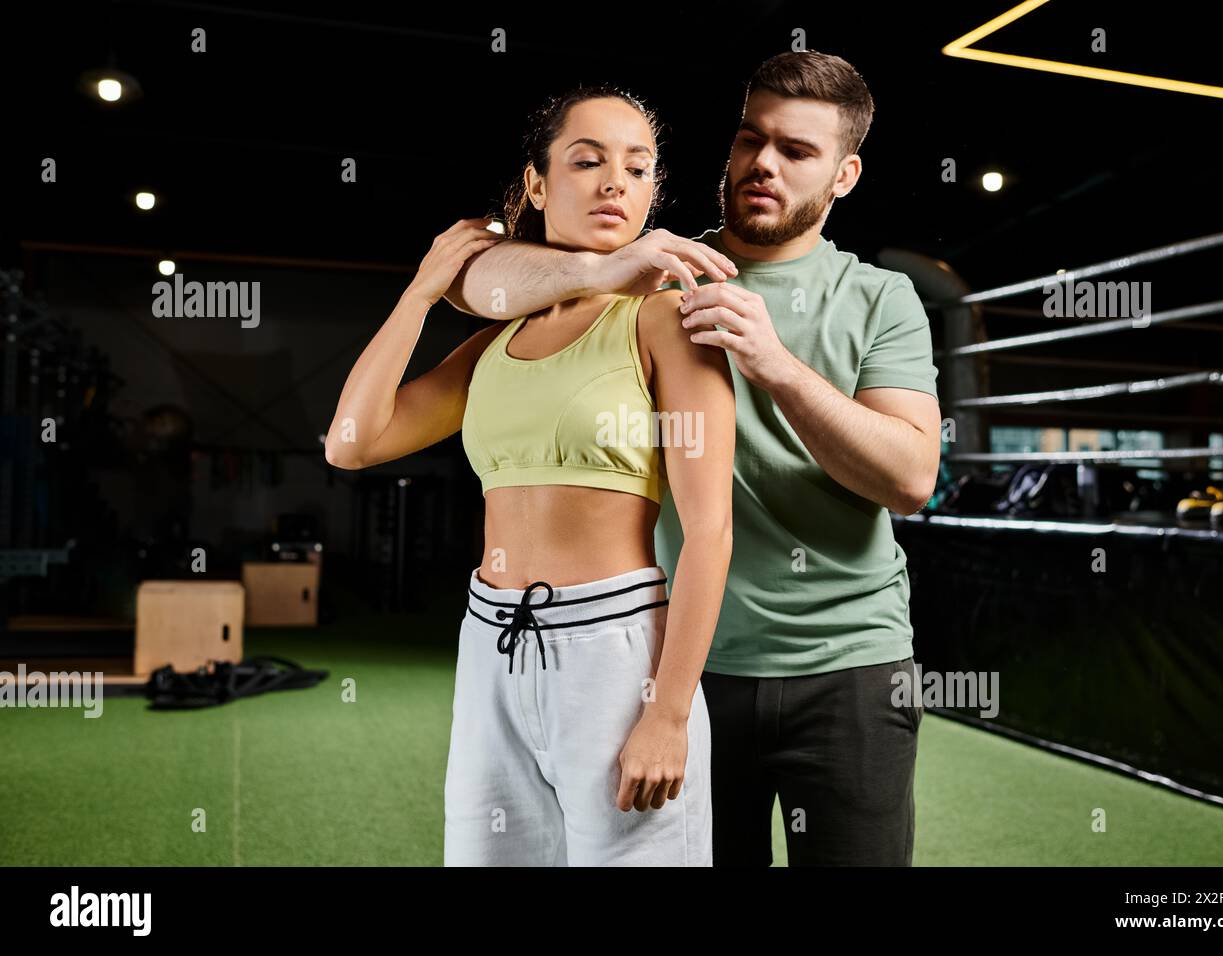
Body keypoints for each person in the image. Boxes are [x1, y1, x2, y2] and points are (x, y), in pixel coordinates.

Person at [443, 51, 942, 866]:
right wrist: (609, 265)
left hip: (848, 666)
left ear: (844, 175)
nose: (763, 166)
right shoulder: (655, 272)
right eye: (751, 140)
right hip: (679, 664)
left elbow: (911, 479)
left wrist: (774, 363)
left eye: (797, 152)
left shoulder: (878, 298)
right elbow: (472, 281)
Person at [324, 85, 737, 866]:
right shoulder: (492, 346)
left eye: (638, 168)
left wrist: (670, 713)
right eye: (588, 161)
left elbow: (710, 531)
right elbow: (350, 443)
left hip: (617, 658)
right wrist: (419, 293)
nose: (616, 181)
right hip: (491, 647)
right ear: (538, 185)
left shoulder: (665, 322)